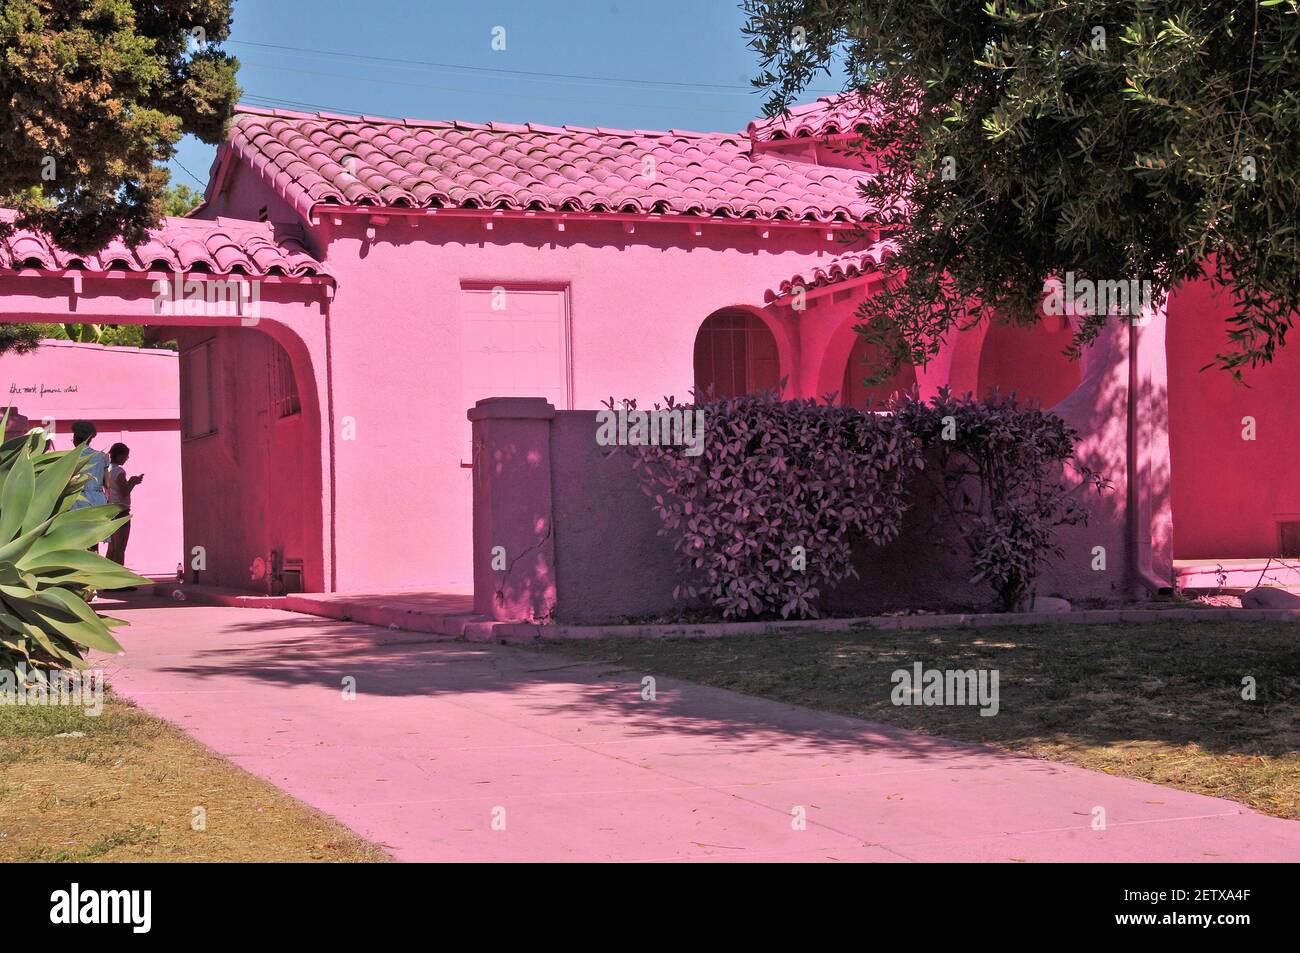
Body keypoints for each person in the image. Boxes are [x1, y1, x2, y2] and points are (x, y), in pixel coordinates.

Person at [105, 442, 144, 568]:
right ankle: (117, 581)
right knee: (120, 547)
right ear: (120, 456)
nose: (126, 459)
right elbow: (124, 492)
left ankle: (107, 578)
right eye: (126, 456)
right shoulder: (119, 471)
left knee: (112, 547)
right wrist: (133, 482)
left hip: (109, 511)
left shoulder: (107, 470)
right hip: (120, 511)